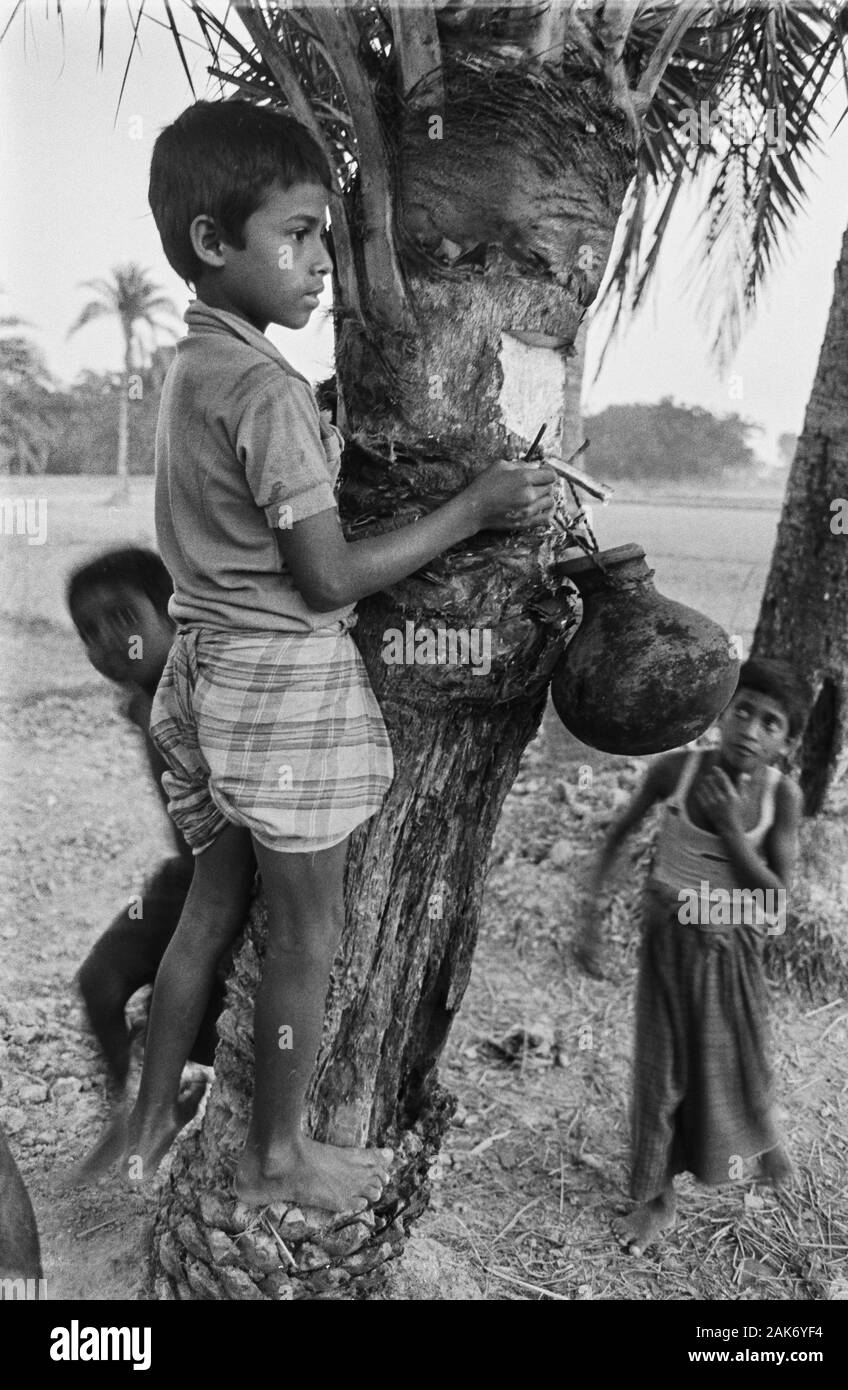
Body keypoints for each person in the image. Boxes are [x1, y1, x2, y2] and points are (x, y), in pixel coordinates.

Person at [78, 98, 556, 1214]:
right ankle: (278, 1152)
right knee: (309, 927)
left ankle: (146, 1126)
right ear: (211, 241)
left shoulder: (195, 365)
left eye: (325, 237)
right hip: (281, 685)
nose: (321, 264)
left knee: (211, 902)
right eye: (296, 235)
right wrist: (476, 507)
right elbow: (329, 578)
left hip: (204, 671)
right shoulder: (269, 391)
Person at [575, 658, 803, 1256]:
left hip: (731, 949)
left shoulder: (782, 798)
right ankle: (656, 1199)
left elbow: (776, 898)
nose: (751, 729)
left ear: (786, 742)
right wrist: (591, 914)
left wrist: (731, 828)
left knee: (737, 1059)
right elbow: (619, 835)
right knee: (661, 1074)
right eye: (743, 711)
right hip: (667, 946)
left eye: (771, 722)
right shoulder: (676, 771)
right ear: (722, 712)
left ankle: (760, 1139)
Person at [67, 548, 245, 1101]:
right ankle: (123, 1111)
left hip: (230, 884)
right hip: (185, 876)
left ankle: (176, 1099)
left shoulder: (202, 692)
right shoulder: (144, 696)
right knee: (99, 982)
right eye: (89, 631)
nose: (107, 643)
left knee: (194, 1015)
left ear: (172, 611)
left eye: (123, 618)